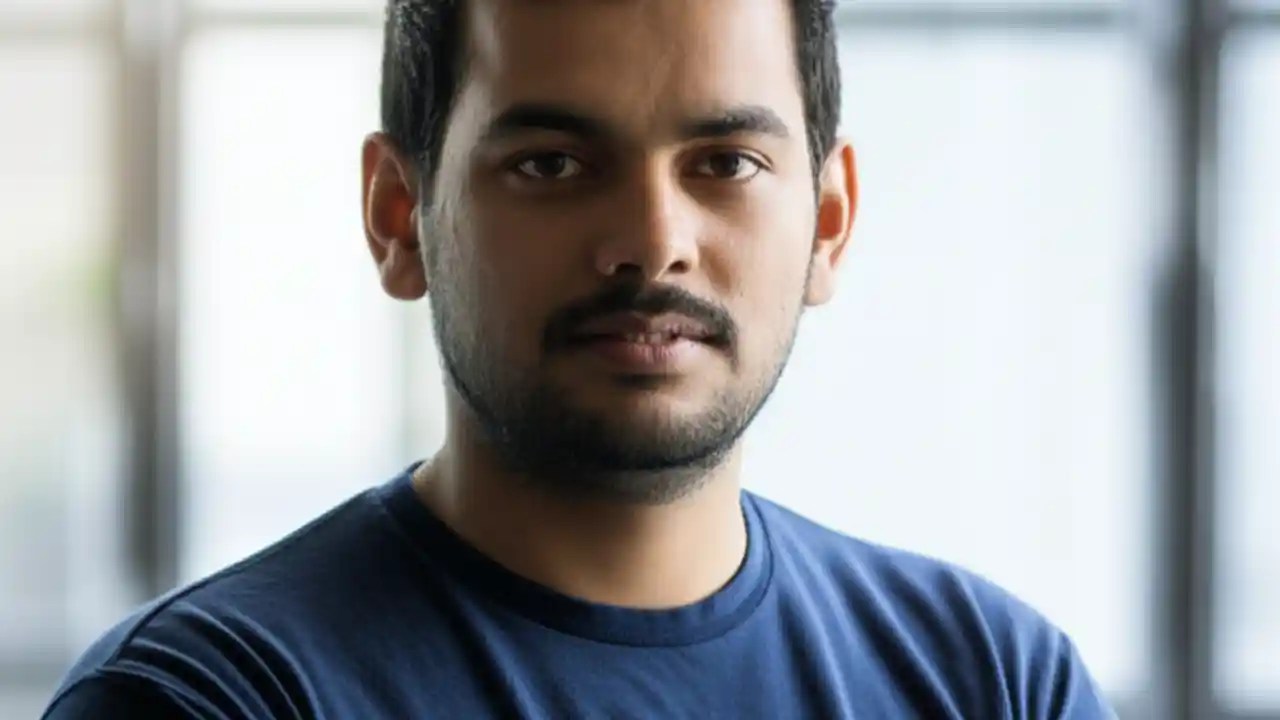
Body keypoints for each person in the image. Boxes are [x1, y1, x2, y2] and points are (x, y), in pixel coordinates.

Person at [43, 0, 1115, 717]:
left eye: (725, 163)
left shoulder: (989, 682)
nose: (651, 240)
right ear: (399, 215)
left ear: (827, 222)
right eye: (552, 163)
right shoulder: (216, 698)